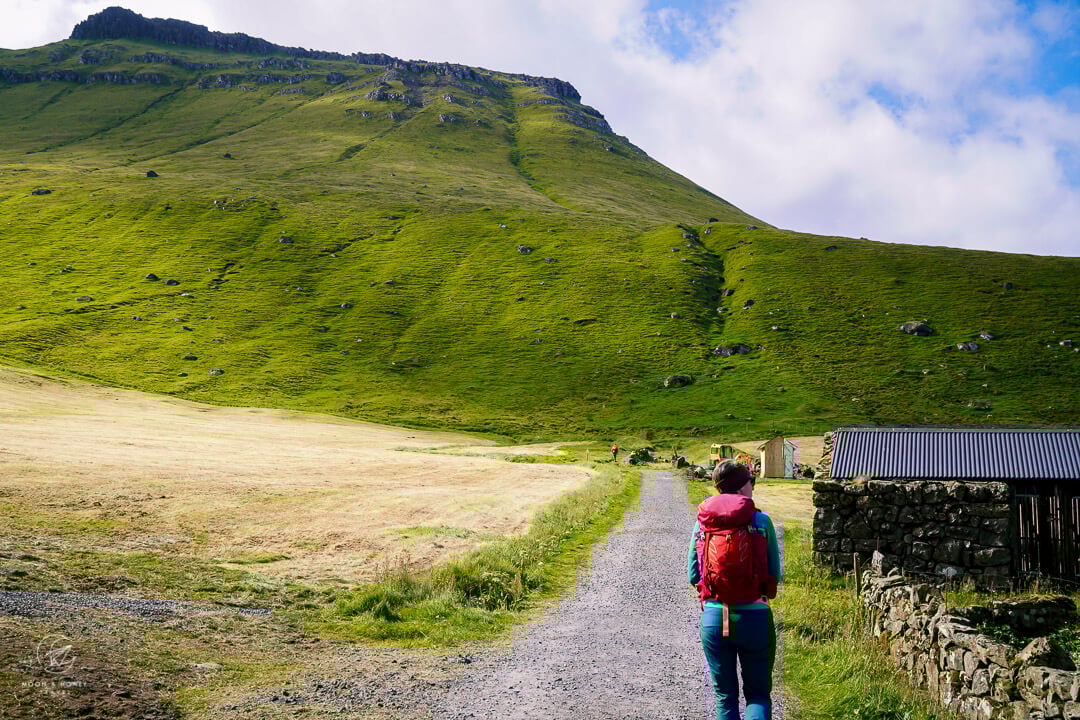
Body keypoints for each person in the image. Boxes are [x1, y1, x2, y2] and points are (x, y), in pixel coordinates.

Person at [688, 462, 781, 720]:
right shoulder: (761, 521)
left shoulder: (702, 524)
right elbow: (774, 574)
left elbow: (693, 575)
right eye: (751, 481)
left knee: (725, 698)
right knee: (758, 696)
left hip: (715, 618)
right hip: (755, 618)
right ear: (743, 485)